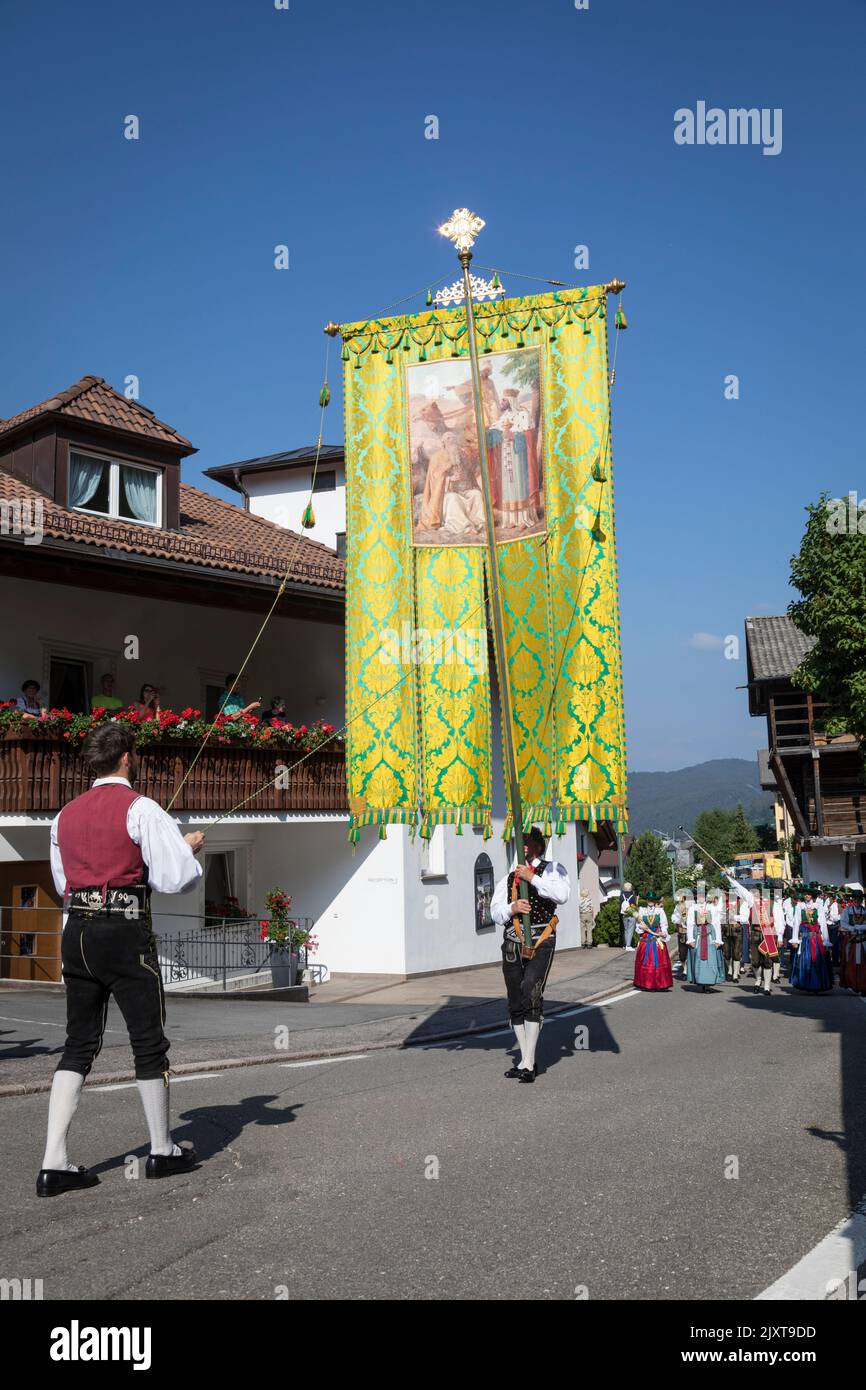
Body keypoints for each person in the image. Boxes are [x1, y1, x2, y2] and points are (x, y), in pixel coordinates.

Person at [37, 723, 205, 1197]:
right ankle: (161, 1149)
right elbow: (174, 879)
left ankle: (54, 1164)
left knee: (78, 1044)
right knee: (147, 1042)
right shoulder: (141, 808)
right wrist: (189, 852)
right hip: (123, 933)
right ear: (127, 759)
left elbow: (63, 882)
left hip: (77, 933)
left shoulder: (63, 815)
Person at [490, 826, 571, 1083]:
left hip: (541, 939)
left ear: (537, 843)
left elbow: (562, 895)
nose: (522, 845)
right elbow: (495, 912)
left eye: (526, 841)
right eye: (519, 841)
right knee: (515, 999)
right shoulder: (509, 877)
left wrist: (532, 878)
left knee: (531, 992)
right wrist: (513, 907)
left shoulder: (552, 869)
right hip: (513, 941)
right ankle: (527, 1060)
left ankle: (528, 1061)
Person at [790, 887, 832, 993]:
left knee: (817, 960)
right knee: (806, 960)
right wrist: (795, 940)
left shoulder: (818, 906)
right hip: (805, 939)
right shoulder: (800, 906)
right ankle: (806, 984)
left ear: (812, 895)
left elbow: (822, 923)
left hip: (816, 939)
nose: (806, 896)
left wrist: (826, 940)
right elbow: (796, 923)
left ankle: (817, 985)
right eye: (805, 894)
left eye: (808, 894)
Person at [633, 891, 672, 991]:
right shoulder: (641, 911)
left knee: (657, 962)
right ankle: (646, 983)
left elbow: (664, 924)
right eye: (649, 900)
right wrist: (642, 928)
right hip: (646, 940)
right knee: (646, 961)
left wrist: (663, 932)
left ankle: (659, 984)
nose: (650, 901)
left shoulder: (660, 911)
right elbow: (638, 927)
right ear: (646, 900)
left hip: (657, 940)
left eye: (652, 900)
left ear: (655, 901)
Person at [686, 897, 725, 992]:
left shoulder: (712, 908)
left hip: (709, 937)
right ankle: (701, 981)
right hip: (698, 936)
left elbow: (716, 923)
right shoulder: (693, 908)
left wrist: (718, 940)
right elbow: (690, 924)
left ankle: (708, 983)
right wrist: (690, 939)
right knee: (699, 959)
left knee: (710, 960)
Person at [840, 887, 866, 994]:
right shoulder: (847, 910)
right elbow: (843, 923)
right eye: (855, 899)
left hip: (863, 940)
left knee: (863, 963)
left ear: (861, 900)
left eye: (859, 899)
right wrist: (853, 928)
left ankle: (863, 985)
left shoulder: (865, 911)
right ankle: (853, 983)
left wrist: (860, 928)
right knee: (851, 962)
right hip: (852, 940)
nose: (856, 901)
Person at [671, 892, 690, 976]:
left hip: (691, 932)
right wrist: (679, 920)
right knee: (682, 952)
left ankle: (689, 969)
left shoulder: (692, 906)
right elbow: (674, 917)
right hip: (682, 932)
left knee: (692, 951)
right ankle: (684, 967)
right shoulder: (678, 907)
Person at [620, 881, 637, 951]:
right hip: (631, 914)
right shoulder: (632, 896)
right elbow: (634, 905)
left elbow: (620, 905)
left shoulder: (621, 896)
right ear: (631, 888)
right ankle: (628, 945)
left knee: (626, 930)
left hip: (624, 914)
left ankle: (625, 944)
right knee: (630, 929)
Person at [578, 882, 595, 948]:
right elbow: (592, 908)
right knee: (589, 929)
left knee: (582, 929)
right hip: (589, 914)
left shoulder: (579, 901)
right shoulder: (589, 900)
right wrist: (592, 915)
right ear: (587, 894)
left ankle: (583, 943)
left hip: (582, 915)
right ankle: (589, 943)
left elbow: (579, 908)